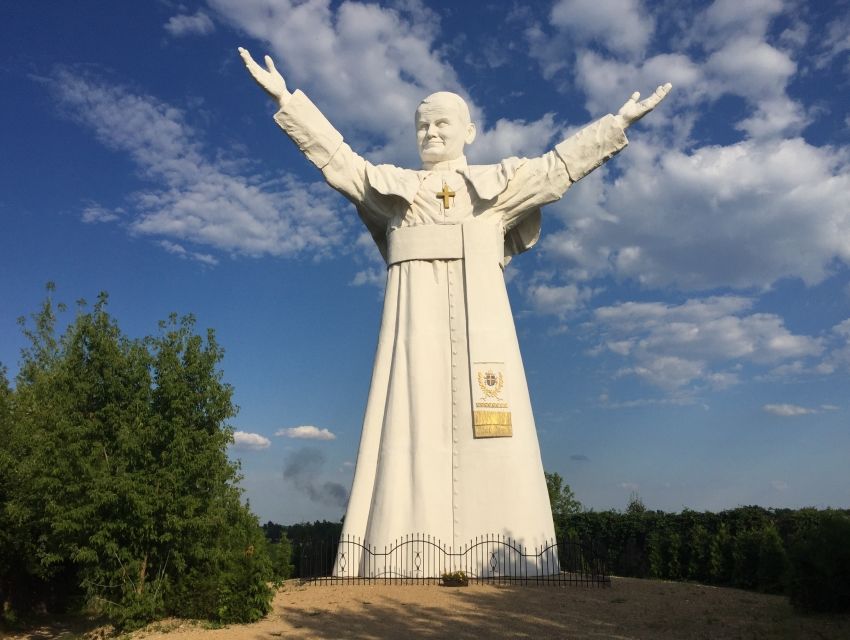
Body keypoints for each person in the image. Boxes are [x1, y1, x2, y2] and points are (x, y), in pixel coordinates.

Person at [239, 47, 670, 573]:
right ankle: (400, 559)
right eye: (422, 125)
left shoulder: (495, 189)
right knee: (407, 426)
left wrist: (616, 123)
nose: (430, 133)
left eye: (443, 123)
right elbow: (339, 160)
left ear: (469, 132)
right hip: (412, 328)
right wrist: (288, 101)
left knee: (495, 426)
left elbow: (559, 167)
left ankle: (513, 560)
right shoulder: (397, 192)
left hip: (484, 328)